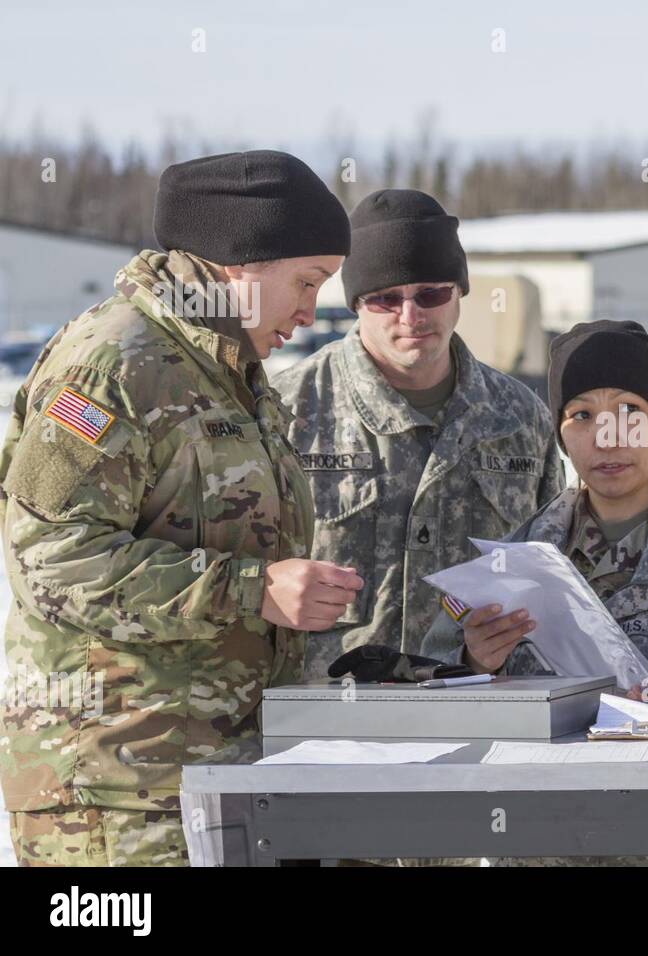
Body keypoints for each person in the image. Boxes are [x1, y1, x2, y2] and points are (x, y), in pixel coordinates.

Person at [1, 150, 360, 866]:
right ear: (242, 264)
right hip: (118, 791)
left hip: (214, 772)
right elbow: (48, 558)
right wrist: (255, 588)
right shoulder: (114, 365)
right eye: (306, 282)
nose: (309, 310)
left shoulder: (229, 373)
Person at [423, 320, 648, 866]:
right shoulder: (514, 558)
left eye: (630, 412)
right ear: (560, 432)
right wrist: (473, 658)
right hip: (546, 844)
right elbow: (433, 690)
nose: (607, 437)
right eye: (581, 416)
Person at [273, 189, 565, 681]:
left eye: (431, 294)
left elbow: (547, 574)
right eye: (386, 298)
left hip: (477, 712)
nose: (411, 317)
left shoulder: (518, 418)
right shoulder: (287, 411)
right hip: (324, 722)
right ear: (355, 304)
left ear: (460, 294)